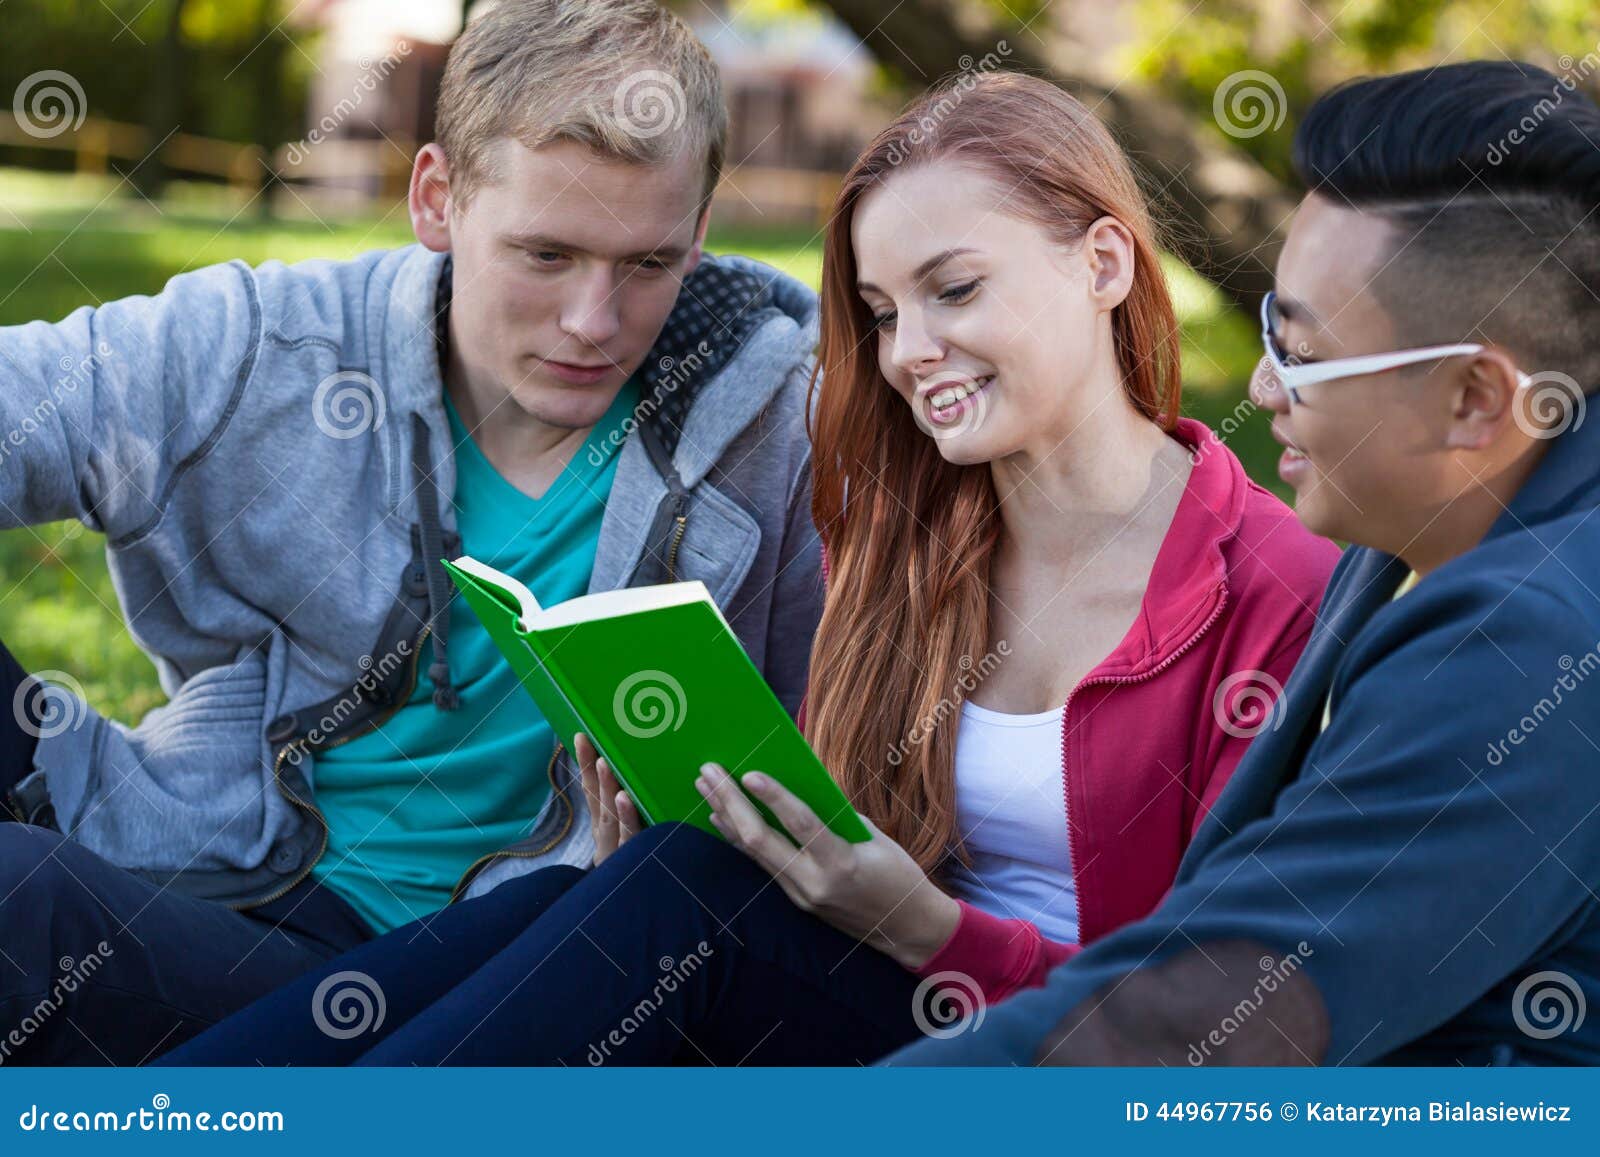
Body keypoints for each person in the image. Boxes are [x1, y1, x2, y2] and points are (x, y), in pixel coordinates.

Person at [158, 71, 1338, 1067]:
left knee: (681, 901)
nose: (910, 351)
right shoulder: (909, 535)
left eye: (955, 289)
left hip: (1049, 1061)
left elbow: (1225, 1022)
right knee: (612, 883)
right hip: (875, 1003)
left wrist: (928, 927)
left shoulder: (1275, 590)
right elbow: (843, 835)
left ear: (1103, 265)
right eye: (879, 312)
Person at [0, 0, 824, 1064]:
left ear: (701, 232)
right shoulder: (270, 345)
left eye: (648, 264)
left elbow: (859, 761)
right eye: (545, 254)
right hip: (236, 886)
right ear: (436, 197)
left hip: (527, 962)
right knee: (21, 899)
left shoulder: (785, 424)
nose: (592, 320)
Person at [885, 60, 1600, 1068]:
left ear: (1475, 399)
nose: (1263, 385)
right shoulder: (1424, 531)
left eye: (1302, 351)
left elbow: (1205, 1019)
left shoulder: (1536, 637)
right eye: (1268, 325)